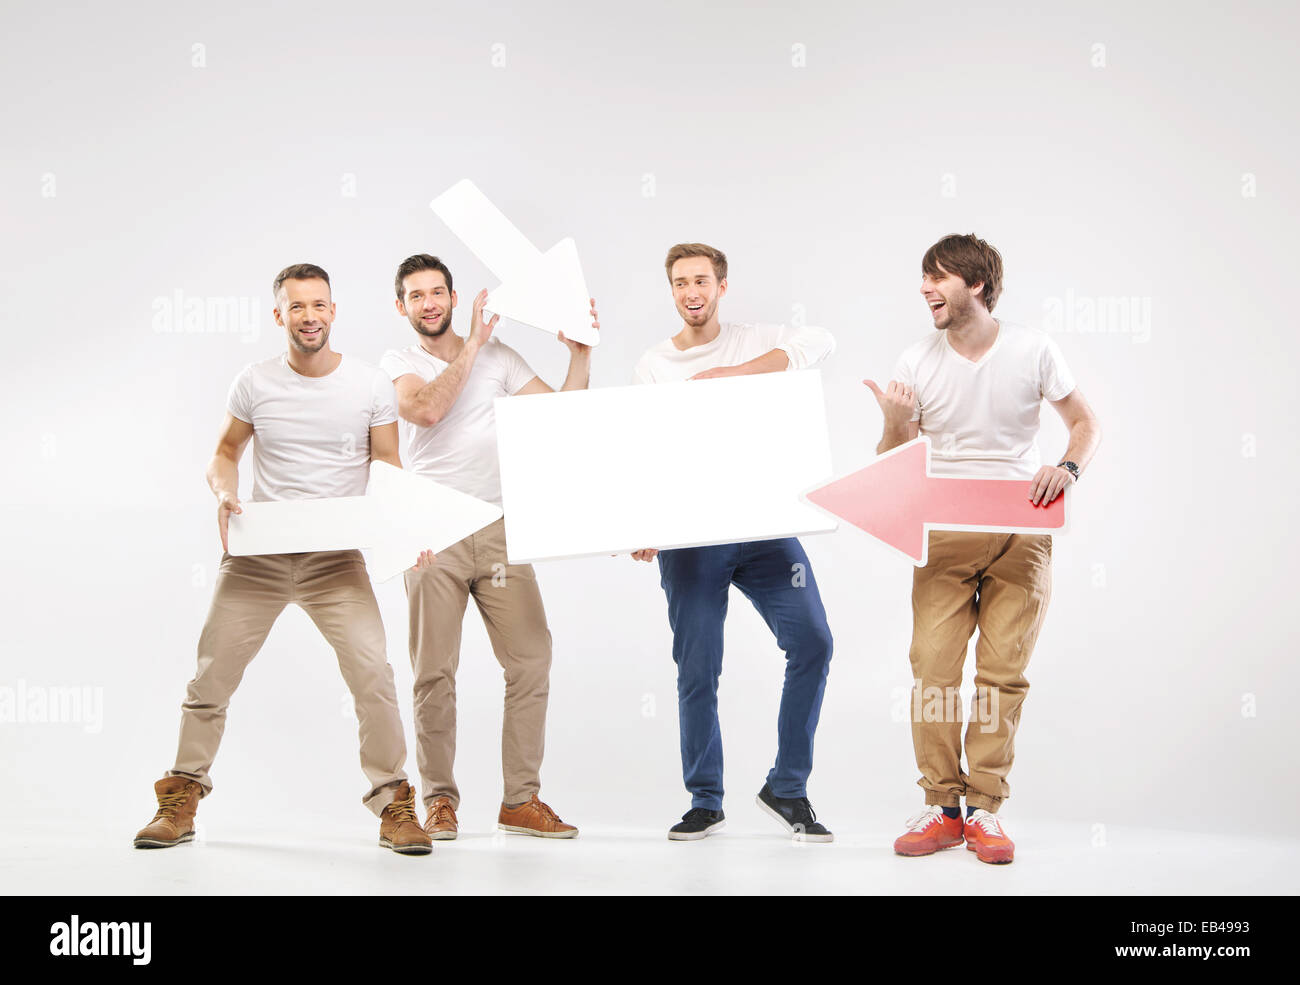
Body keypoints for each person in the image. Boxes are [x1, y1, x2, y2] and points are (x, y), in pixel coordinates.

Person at [134, 263, 433, 856]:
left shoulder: (370, 385)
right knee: (211, 675)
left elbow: (389, 468)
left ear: (333, 311)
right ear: (280, 316)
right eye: (297, 307)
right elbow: (224, 451)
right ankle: (182, 797)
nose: (309, 316)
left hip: (335, 560)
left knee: (373, 674)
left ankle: (394, 803)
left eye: (319, 305)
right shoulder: (254, 381)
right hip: (259, 554)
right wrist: (224, 490)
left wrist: (406, 529)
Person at [868, 233, 1101, 864]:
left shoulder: (1033, 348)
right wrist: (893, 417)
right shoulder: (916, 359)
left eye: (938, 278)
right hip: (943, 531)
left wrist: (1068, 468)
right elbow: (893, 461)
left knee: (1003, 675)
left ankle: (986, 811)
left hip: (1023, 529)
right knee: (935, 670)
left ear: (976, 285)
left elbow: (1084, 422)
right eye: (923, 278)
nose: (925, 289)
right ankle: (943, 807)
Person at [381, 254, 598, 840]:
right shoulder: (400, 363)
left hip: (500, 531)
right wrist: (472, 344)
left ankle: (520, 800)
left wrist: (579, 354)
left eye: (437, 292)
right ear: (401, 307)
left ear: (453, 297)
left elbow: (557, 424)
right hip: (432, 534)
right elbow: (424, 410)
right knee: (434, 673)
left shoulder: (502, 359)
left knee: (530, 659)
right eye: (416, 295)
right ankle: (439, 801)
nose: (429, 303)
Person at [631, 242, 836, 843]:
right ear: (671, 292)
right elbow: (647, 450)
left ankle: (787, 787)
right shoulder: (652, 363)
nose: (690, 292)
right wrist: (643, 521)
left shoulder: (756, 339)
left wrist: (729, 377)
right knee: (698, 669)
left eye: (700, 280)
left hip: (766, 528)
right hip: (691, 536)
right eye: (679, 283)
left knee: (814, 643)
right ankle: (705, 797)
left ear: (722, 286)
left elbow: (821, 341)